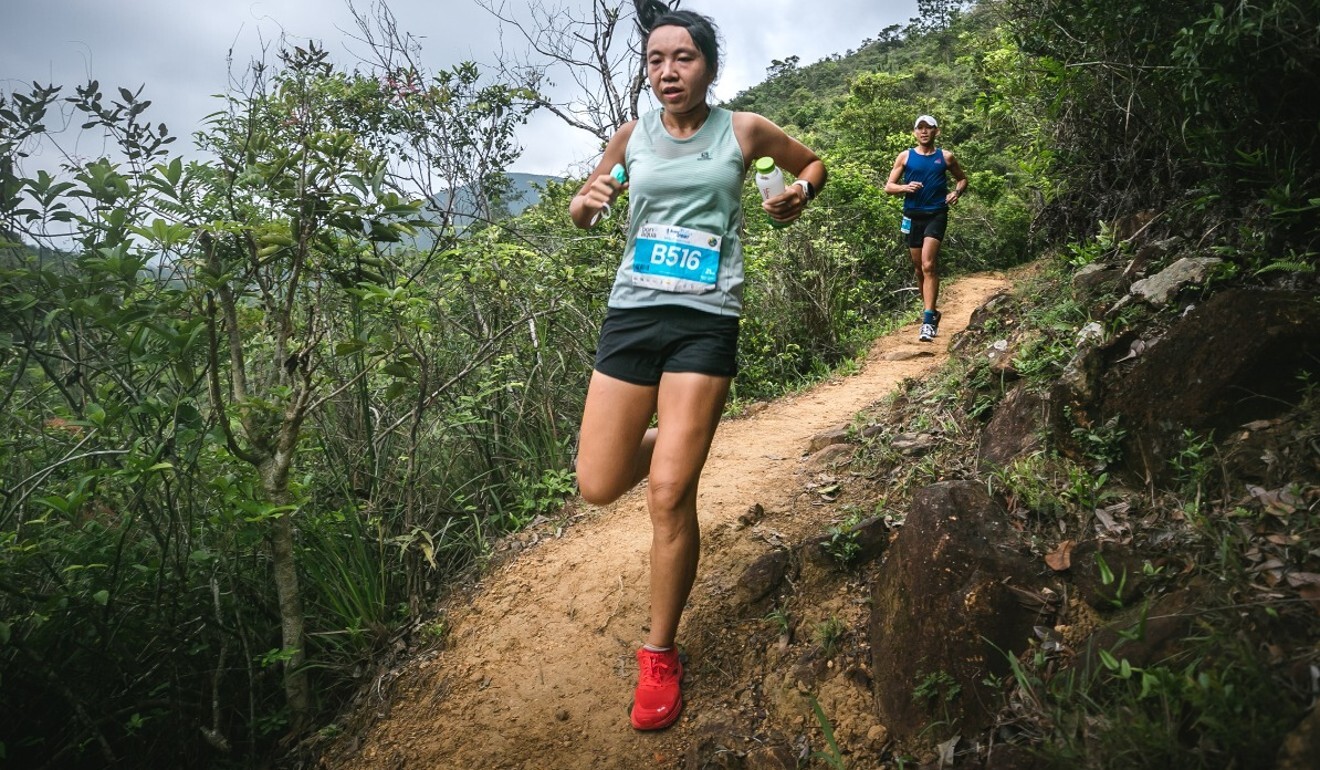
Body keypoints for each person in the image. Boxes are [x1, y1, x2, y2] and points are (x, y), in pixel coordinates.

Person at [568, 0, 826, 732]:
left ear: (708, 65)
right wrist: (585, 206)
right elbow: (585, 207)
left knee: (669, 494)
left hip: (705, 319)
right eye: (655, 60)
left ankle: (659, 654)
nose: (667, 71)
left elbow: (812, 163)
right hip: (632, 316)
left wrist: (801, 192)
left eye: (682, 57)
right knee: (597, 482)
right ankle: (666, 446)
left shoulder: (742, 130)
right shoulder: (632, 136)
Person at [884, 114, 967, 342]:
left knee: (929, 264)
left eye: (928, 128)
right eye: (919, 128)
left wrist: (956, 193)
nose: (924, 132)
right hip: (912, 217)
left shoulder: (945, 157)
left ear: (936, 132)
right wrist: (904, 188)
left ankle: (928, 320)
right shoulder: (906, 156)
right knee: (919, 269)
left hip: (936, 214)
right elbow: (888, 186)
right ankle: (932, 312)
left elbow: (962, 179)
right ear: (914, 133)